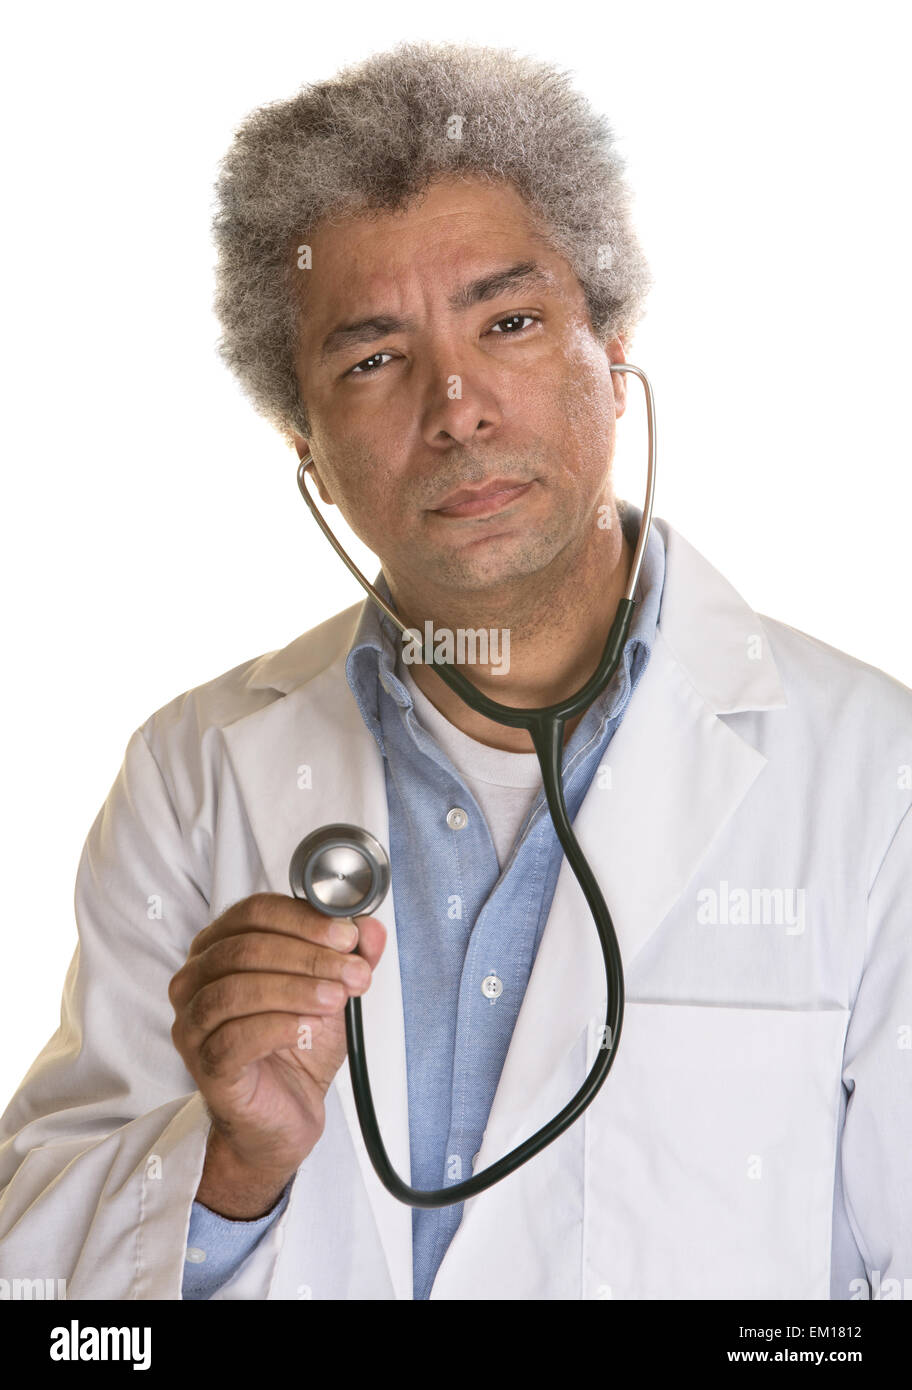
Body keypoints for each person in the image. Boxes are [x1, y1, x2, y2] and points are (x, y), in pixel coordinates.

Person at [1, 39, 909, 1303]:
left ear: (614, 345)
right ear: (306, 445)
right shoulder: (195, 772)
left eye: (514, 320)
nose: (458, 405)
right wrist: (231, 1167)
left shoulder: (877, 780)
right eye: (372, 359)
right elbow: (46, 1299)